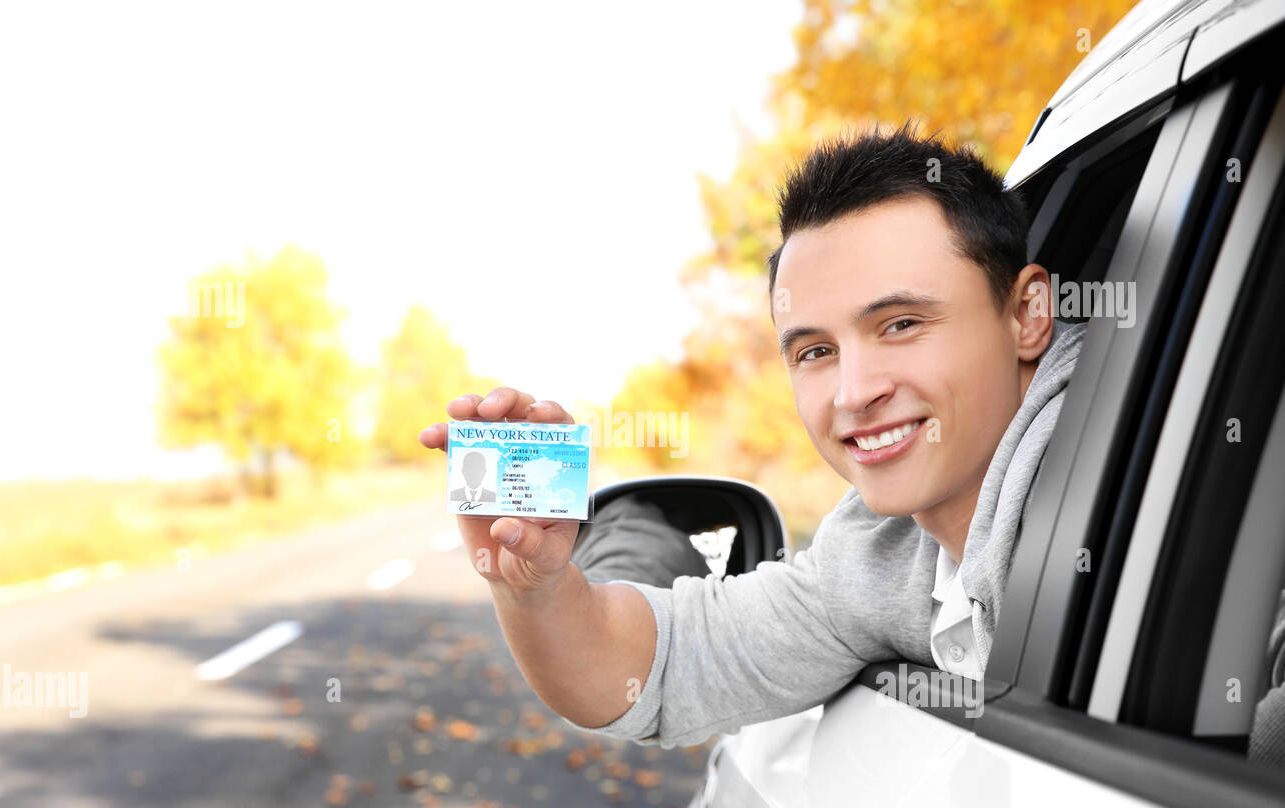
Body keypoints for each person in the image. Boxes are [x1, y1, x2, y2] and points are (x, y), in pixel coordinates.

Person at [419, 122, 1088, 748]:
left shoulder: (1108, 482)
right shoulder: (876, 554)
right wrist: (530, 584)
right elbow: (647, 672)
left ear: (1028, 315)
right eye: (815, 352)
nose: (854, 392)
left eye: (901, 325)